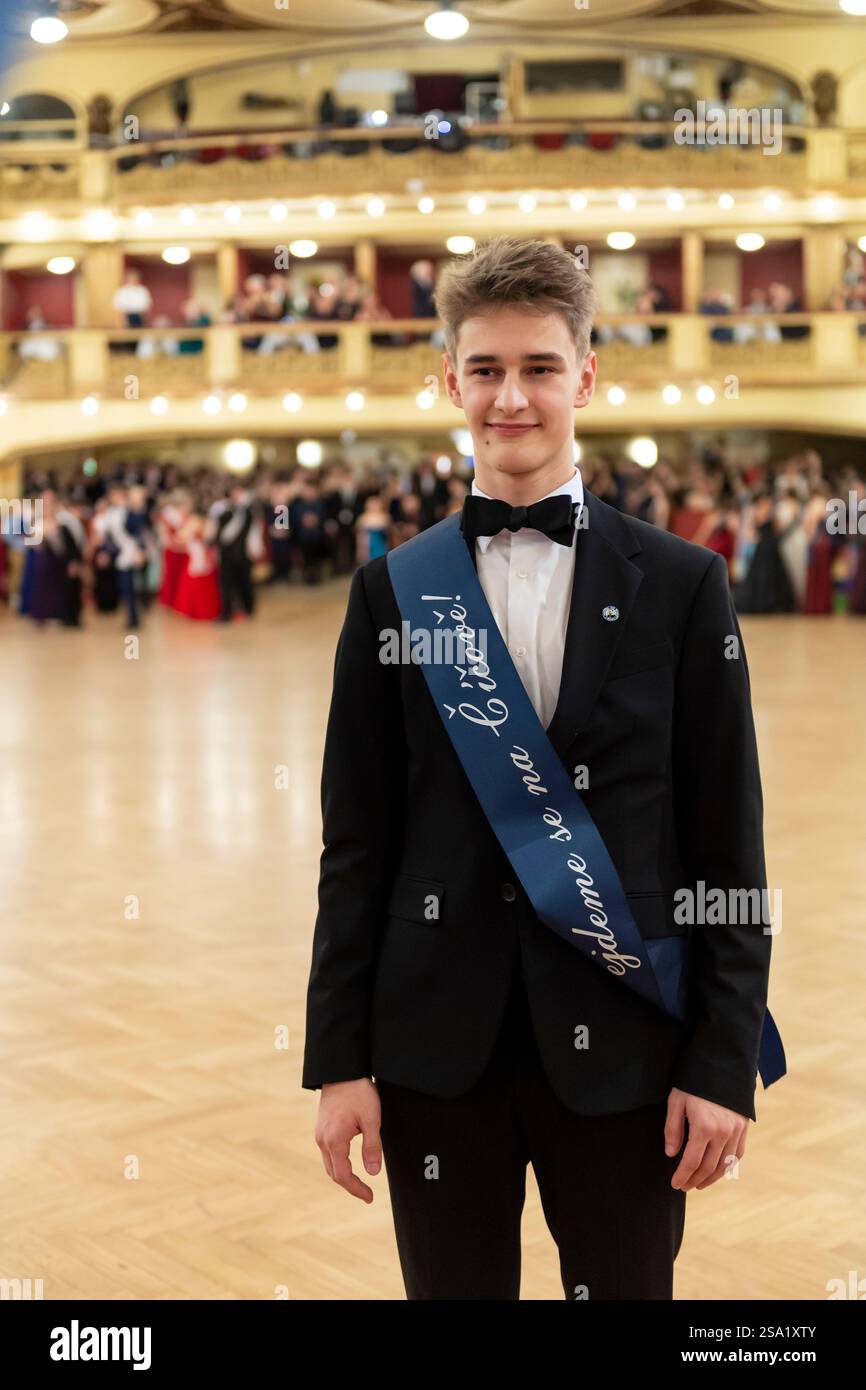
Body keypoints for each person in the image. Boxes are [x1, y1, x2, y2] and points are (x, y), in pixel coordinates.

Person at [302, 235, 784, 1300]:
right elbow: (358, 841)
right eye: (484, 369)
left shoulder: (681, 585)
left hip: (625, 1050)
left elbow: (725, 838)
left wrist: (718, 1061)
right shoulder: (391, 593)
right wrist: (337, 1059)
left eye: (536, 367)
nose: (508, 397)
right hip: (436, 1055)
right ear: (448, 381)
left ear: (584, 376)